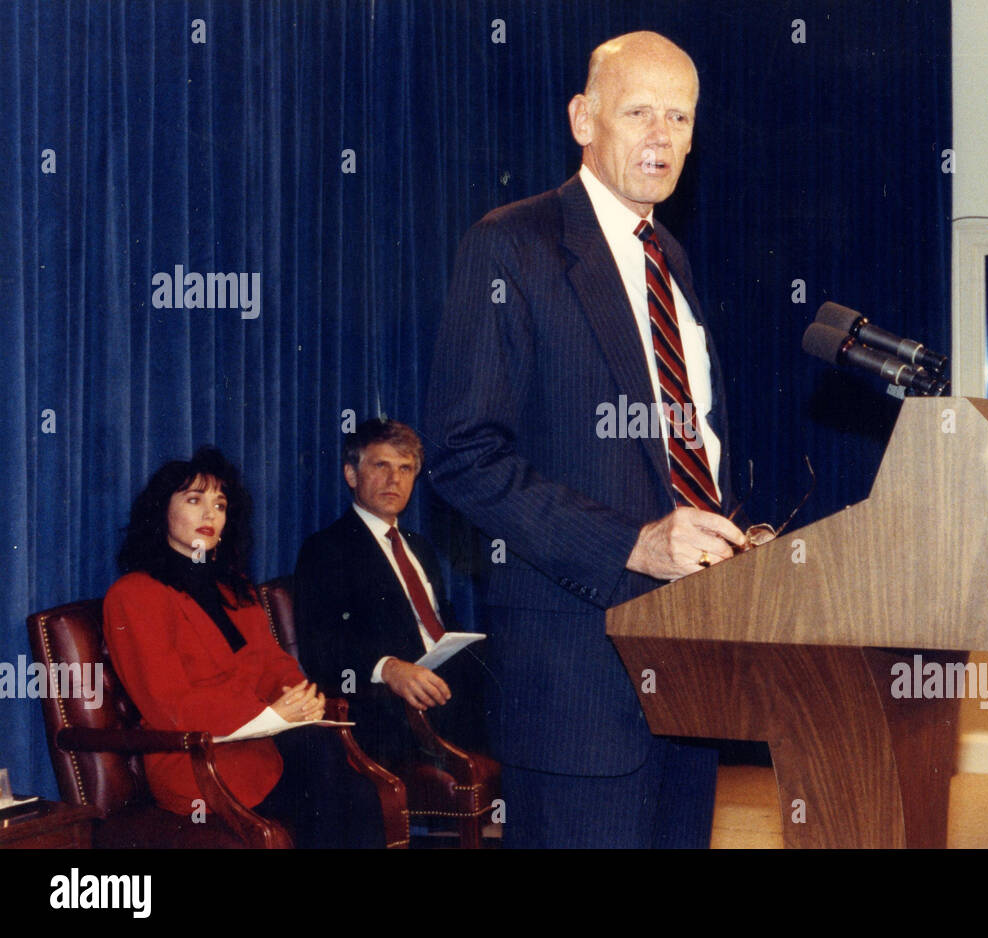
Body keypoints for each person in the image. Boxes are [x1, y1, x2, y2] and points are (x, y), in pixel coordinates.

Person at [423, 31, 746, 848]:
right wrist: (631, 545)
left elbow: (686, 446)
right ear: (582, 117)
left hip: (691, 668)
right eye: (639, 112)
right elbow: (463, 453)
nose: (662, 138)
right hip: (578, 686)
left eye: (680, 117)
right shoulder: (513, 244)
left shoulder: (669, 258)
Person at [103, 446, 385, 848]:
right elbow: (167, 702)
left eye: (220, 505)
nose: (210, 514)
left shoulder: (235, 589)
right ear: (161, 512)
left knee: (358, 789)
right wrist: (267, 713)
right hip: (197, 756)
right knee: (325, 771)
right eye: (194, 500)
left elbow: (271, 660)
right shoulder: (133, 594)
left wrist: (298, 696)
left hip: (263, 743)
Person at [293, 418, 483, 771]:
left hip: (448, 686)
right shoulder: (326, 549)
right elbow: (321, 648)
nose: (395, 480)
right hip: (390, 706)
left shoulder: (420, 548)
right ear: (351, 474)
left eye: (406, 468)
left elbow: (442, 623)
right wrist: (390, 669)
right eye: (381, 466)